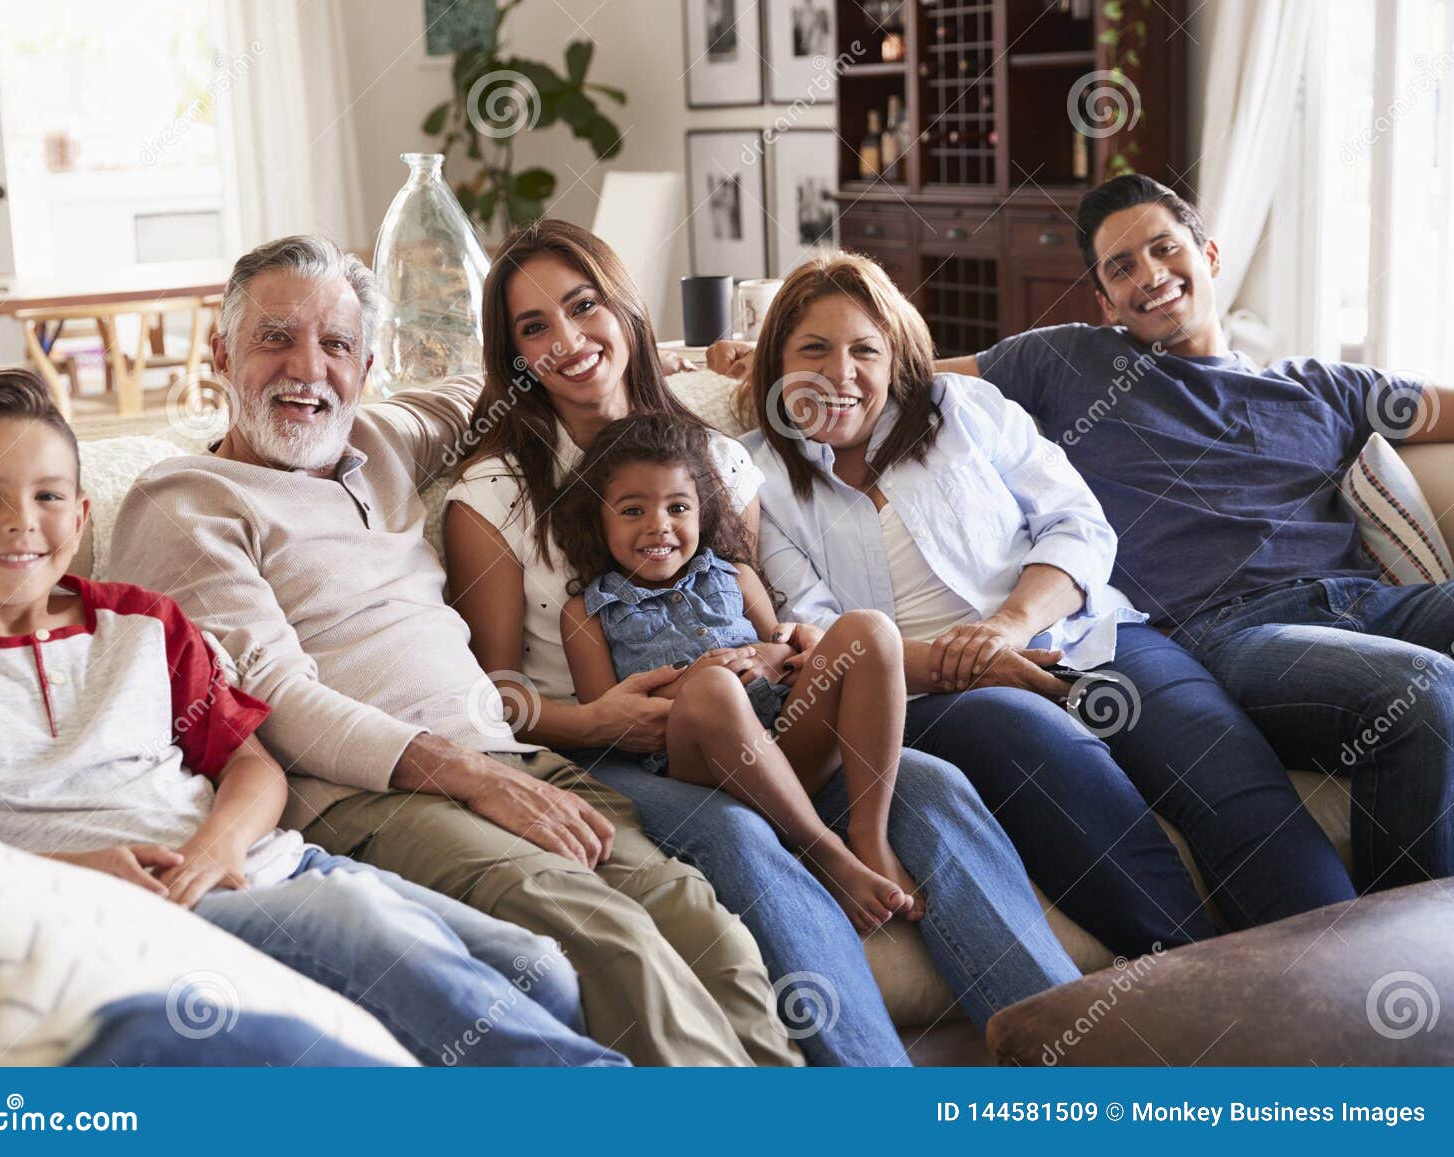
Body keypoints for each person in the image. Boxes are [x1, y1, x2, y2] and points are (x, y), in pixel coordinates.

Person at [106, 235, 796, 1068]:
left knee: (699, 919)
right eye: (274, 337)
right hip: (368, 795)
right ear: (220, 353)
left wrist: (702, 358)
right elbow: (275, 702)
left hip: (510, 760)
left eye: (334, 346)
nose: (307, 369)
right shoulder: (186, 502)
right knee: (608, 935)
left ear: (364, 369)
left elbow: (509, 376)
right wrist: (471, 775)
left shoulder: (384, 442)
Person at [443, 218, 1081, 1066]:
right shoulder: (491, 494)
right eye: (533, 327)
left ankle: (1085, 1074)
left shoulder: (714, 460)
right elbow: (492, 693)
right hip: (619, 754)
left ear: (625, 308)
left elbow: (755, 610)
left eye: (583, 305)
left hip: (764, 715)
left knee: (929, 785)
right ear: (512, 351)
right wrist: (594, 723)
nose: (566, 339)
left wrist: (785, 648)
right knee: (738, 836)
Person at [0, 369, 626, 1069]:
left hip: (263, 863)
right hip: (135, 907)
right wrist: (80, 870)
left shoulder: (143, 621)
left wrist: (213, 847)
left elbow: (252, 764)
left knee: (541, 967)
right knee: (377, 937)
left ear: (82, 513)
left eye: (49, 495)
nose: (22, 522)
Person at [739, 251, 1356, 955]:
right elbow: (819, 637)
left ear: (896, 356)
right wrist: (969, 665)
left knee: (1226, 772)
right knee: (1054, 759)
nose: (840, 373)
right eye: (813, 348)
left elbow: (1077, 523)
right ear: (777, 360)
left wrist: (1009, 627)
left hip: (1080, 631)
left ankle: (1338, 985)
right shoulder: (760, 480)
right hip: (931, 695)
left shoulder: (962, 409)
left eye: (864, 350)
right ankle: (1196, 997)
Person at [932, 174, 1454, 892]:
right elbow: (904, 381)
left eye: (1164, 249)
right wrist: (757, 358)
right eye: (1122, 267)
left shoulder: (1321, 386)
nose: (1149, 276)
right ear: (1105, 300)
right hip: (1234, 635)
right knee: (1425, 693)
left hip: (1367, 604)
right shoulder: (1067, 362)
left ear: (1208, 255)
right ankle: (1410, 966)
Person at [557, 415, 919, 932]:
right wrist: (698, 679)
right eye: (633, 510)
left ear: (703, 512)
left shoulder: (736, 575)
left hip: (787, 741)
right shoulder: (588, 614)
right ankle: (825, 851)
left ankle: (869, 835)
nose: (659, 524)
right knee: (712, 686)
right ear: (597, 520)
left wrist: (789, 651)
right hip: (702, 766)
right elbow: (614, 722)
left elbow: (779, 650)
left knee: (869, 628)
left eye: (678, 507)